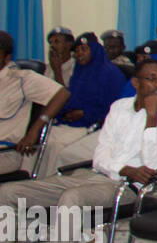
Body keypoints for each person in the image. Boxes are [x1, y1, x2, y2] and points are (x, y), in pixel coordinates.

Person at [0, 59, 157, 243]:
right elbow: (100, 156)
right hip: (93, 175)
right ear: (135, 83)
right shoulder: (119, 107)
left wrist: (151, 118)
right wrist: (124, 168)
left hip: (125, 188)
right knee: (6, 193)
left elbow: (151, 165)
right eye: (151, 78)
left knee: (72, 198)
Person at [37, 33, 123, 179]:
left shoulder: (110, 74)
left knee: (56, 146)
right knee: (43, 139)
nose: (79, 54)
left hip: (91, 125)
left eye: (84, 49)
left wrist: (84, 114)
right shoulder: (79, 71)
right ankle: (32, 179)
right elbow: (70, 98)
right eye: (76, 51)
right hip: (70, 123)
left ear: (95, 50)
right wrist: (66, 112)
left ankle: (49, 182)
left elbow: (112, 110)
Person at [0, 30, 71, 179]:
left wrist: (35, 130)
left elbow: (62, 94)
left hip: (6, 152)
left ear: (7, 58)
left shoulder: (21, 78)